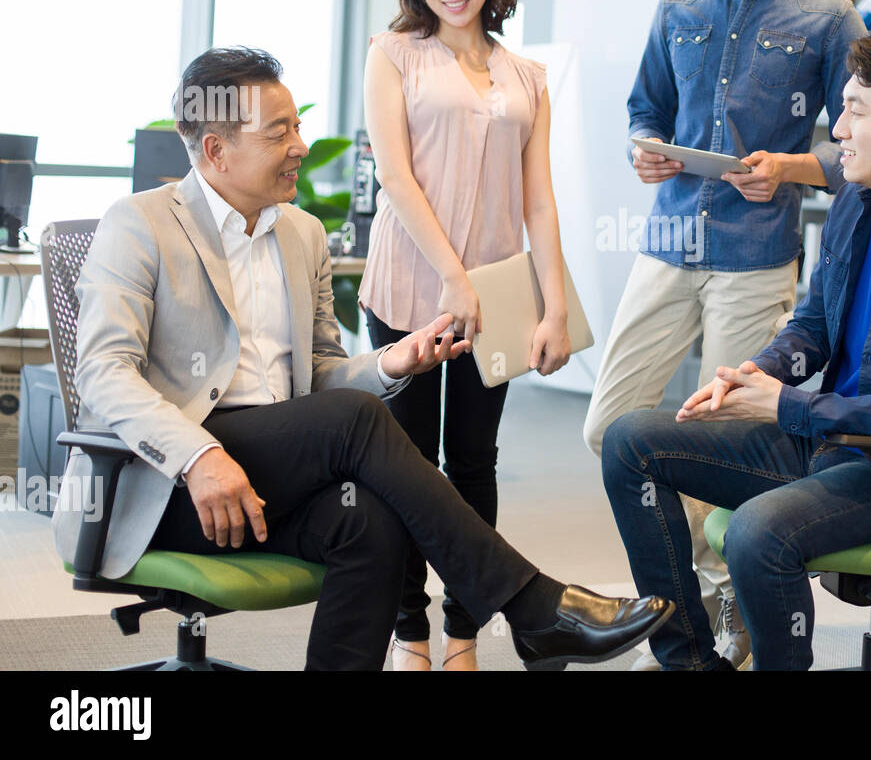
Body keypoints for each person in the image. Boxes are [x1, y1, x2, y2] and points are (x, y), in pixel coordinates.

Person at [52, 46, 672, 671]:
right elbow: (104, 375)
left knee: (370, 522)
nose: (300, 144)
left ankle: (529, 613)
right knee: (354, 421)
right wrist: (199, 455)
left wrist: (387, 365)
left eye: (296, 125)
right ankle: (532, 606)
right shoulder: (141, 224)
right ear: (216, 150)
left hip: (272, 475)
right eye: (280, 132)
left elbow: (320, 372)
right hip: (174, 489)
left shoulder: (301, 234)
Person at [602, 24, 871, 669]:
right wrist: (756, 375)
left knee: (755, 533)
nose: (838, 132)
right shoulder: (857, 201)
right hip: (827, 444)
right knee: (631, 442)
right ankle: (688, 661)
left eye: (855, 112)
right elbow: (816, 327)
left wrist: (790, 408)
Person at [582, 0, 868, 669]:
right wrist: (643, 145)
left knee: (729, 438)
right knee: (610, 427)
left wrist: (790, 165)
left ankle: (713, 604)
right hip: (668, 241)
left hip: (756, 258)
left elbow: (865, 148)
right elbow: (645, 106)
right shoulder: (677, 4)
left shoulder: (827, 14)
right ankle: (706, 582)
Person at [358, 0, 571, 671]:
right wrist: (452, 278)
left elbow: (539, 199)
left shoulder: (528, 77)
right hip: (410, 287)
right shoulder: (393, 54)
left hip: (498, 298)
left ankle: (462, 636)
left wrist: (553, 308)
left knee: (473, 463)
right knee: (408, 465)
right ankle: (408, 632)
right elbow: (396, 175)